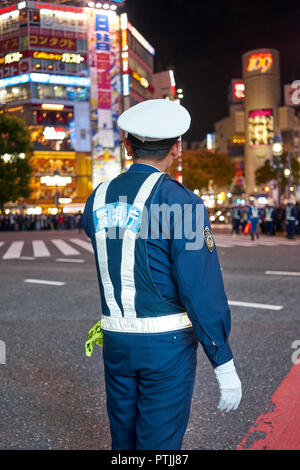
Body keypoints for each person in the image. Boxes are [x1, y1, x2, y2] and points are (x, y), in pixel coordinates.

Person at [83, 99, 242, 450]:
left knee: (123, 441)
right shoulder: (180, 201)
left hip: (116, 340)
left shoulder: (97, 198)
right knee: (159, 446)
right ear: (177, 147)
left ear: (127, 146)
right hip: (165, 343)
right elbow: (200, 288)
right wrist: (223, 360)